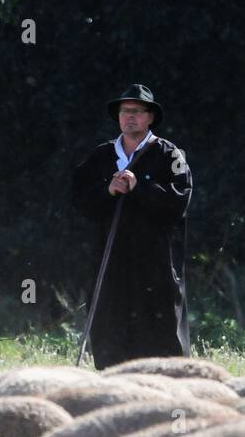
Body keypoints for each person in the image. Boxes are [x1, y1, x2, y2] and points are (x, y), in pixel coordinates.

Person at [71, 84, 193, 367]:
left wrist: (140, 188)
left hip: (156, 268)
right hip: (110, 265)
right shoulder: (100, 157)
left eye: (137, 112)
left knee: (160, 342)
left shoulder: (170, 155)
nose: (130, 117)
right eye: (125, 111)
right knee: (111, 337)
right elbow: (79, 201)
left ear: (150, 117)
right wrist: (107, 191)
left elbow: (179, 203)